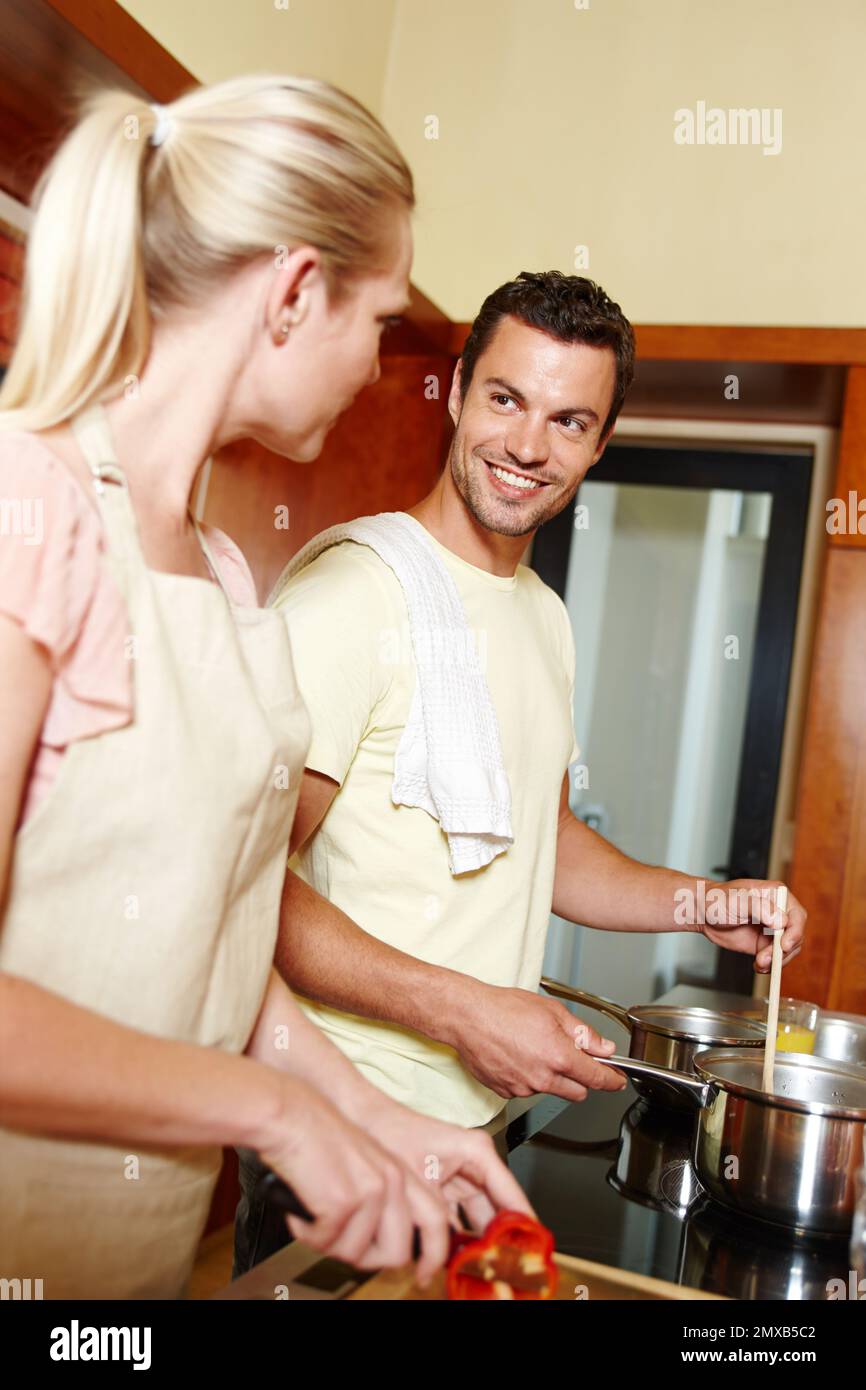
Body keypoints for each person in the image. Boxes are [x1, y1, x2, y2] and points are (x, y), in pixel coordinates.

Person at [0, 74, 529, 1301]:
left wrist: (363, 1111)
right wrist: (276, 1119)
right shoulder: (31, 510)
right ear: (294, 293)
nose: (379, 362)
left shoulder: (231, 577)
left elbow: (220, 942)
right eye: (381, 319)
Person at [234, 270, 807, 1270]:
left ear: (598, 441)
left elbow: (543, 839)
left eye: (569, 419)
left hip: (478, 1127)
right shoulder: (351, 598)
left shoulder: (542, 616)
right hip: (338, 1120)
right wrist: (463, 1010)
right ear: (455, 391)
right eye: (504, 398)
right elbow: (244, 890)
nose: (528, 445)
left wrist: (699, 904)